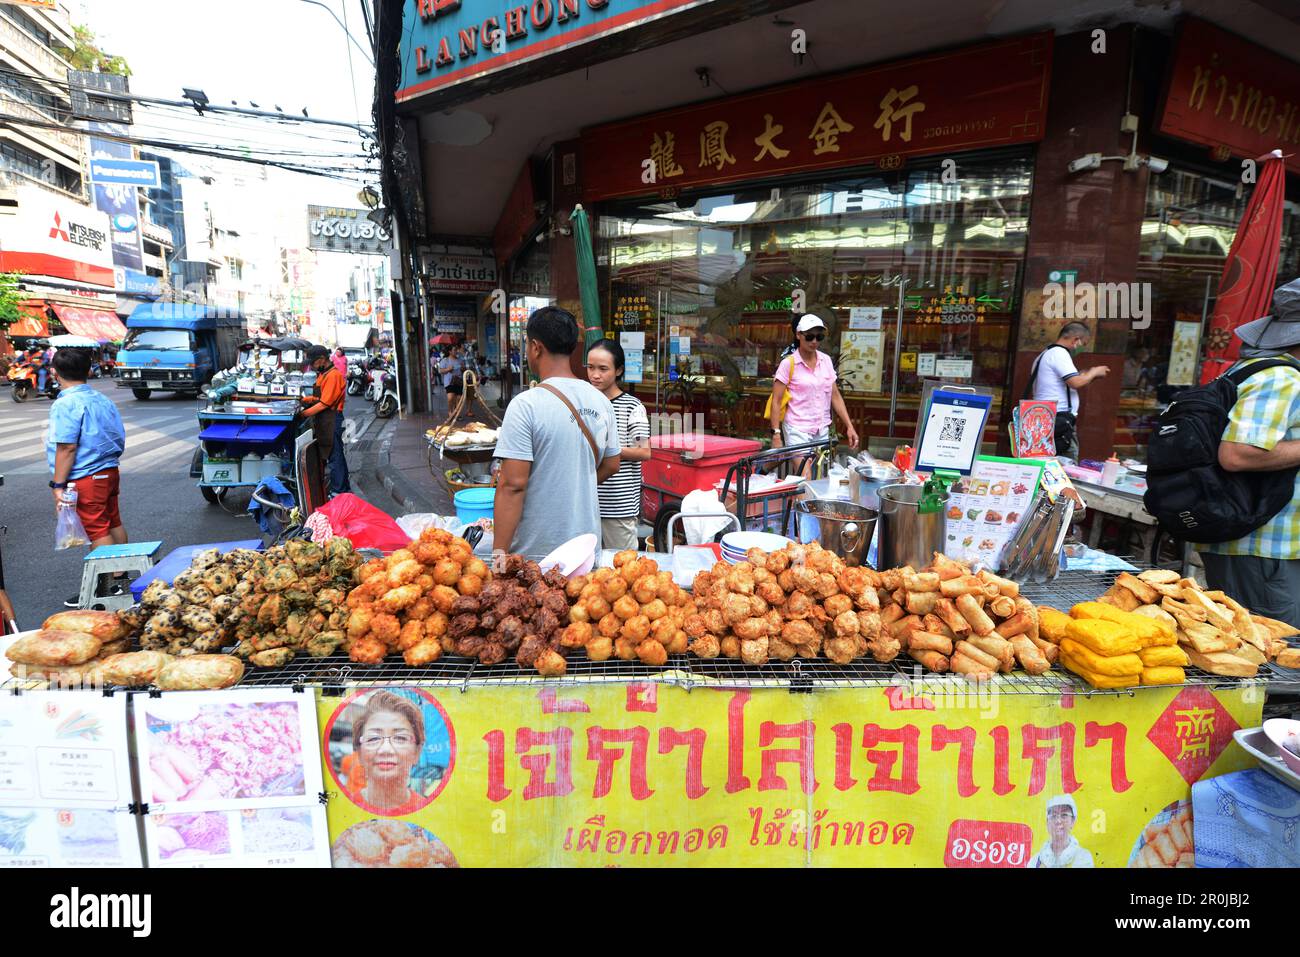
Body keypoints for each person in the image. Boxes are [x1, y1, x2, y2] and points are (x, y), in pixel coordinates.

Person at [1198, 278, 1300, 627]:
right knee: (1275, 665)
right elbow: (1237, 454)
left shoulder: (1262, 371)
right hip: (1263, 549)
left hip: (1263, 546)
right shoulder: (1280, 378)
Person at [494, 306, 620, 558]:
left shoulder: (525, 405)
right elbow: (612, 464)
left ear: (536, 347)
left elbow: (512, 486)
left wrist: (498, 555)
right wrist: (574, 485)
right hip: (586, 550)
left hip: (536, 555)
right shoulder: (600, 401)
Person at [47, 348, 127, 607]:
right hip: (109, 471)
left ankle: (107, 587)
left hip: (86, 476)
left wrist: (57, 484)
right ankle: (120, 577)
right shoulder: (102, 399)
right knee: (112, 521)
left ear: (54, 373)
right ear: (89, 370)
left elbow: (66, 447)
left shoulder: (65, 403)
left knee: (97, 530)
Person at [586, 339, 651, 551]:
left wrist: (609, 450)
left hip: (618, 507)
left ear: (618, 370)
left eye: (603, 369)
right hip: (586, 504)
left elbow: (644, 451)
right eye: (591, 367)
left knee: (621, 570)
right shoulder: (584, 403)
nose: (595, 375)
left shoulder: (632, 406)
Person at [769, 314, 859, 451]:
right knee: (806, 472)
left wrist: (849, 426)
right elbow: (776, 401)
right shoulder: (788, 364)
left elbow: (835, 395)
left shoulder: (826, 360)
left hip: (821, 429)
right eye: (810, 336)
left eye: (819, 337)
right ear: (799, 335)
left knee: (817, 472)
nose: (814, 341)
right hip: (797, 428)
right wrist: (776, 434)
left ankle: (764, 469)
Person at [353, 690, 426, 814]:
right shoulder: (344, 809)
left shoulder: (430, 812)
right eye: (374, 738)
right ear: (359, 752)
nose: (386, 750)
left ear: (417, 752)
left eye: (400, 738)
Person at [300, 345, 349, 497]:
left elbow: (325, 403)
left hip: (332, 419)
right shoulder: (323, 374)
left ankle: (339, 491)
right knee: (333, 455)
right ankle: (342, 487)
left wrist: (303, 414)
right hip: (325, 420)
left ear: (321, 360)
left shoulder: (333, 375)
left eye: (313, 363)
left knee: (335, 456)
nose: (311, 366)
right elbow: (319, 398)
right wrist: (305, 400)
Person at [1029, 795, 1094, 868]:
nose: (1058, 821)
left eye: (1064, 815)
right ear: (1047, 822)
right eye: (1053, 816)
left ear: (1073, 821)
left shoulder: (1083, 857)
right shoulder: (1035, 861)